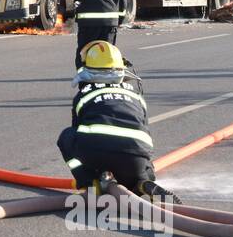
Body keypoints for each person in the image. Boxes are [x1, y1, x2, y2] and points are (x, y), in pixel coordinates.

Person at [56, 40, 178, 203]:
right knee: (140, 150)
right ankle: (143, 182)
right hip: (134, 157)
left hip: (95, 153)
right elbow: (144, 131)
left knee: (67, 137)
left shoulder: (84, 94)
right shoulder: (136, 94)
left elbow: (77, 131)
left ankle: (90, 183)